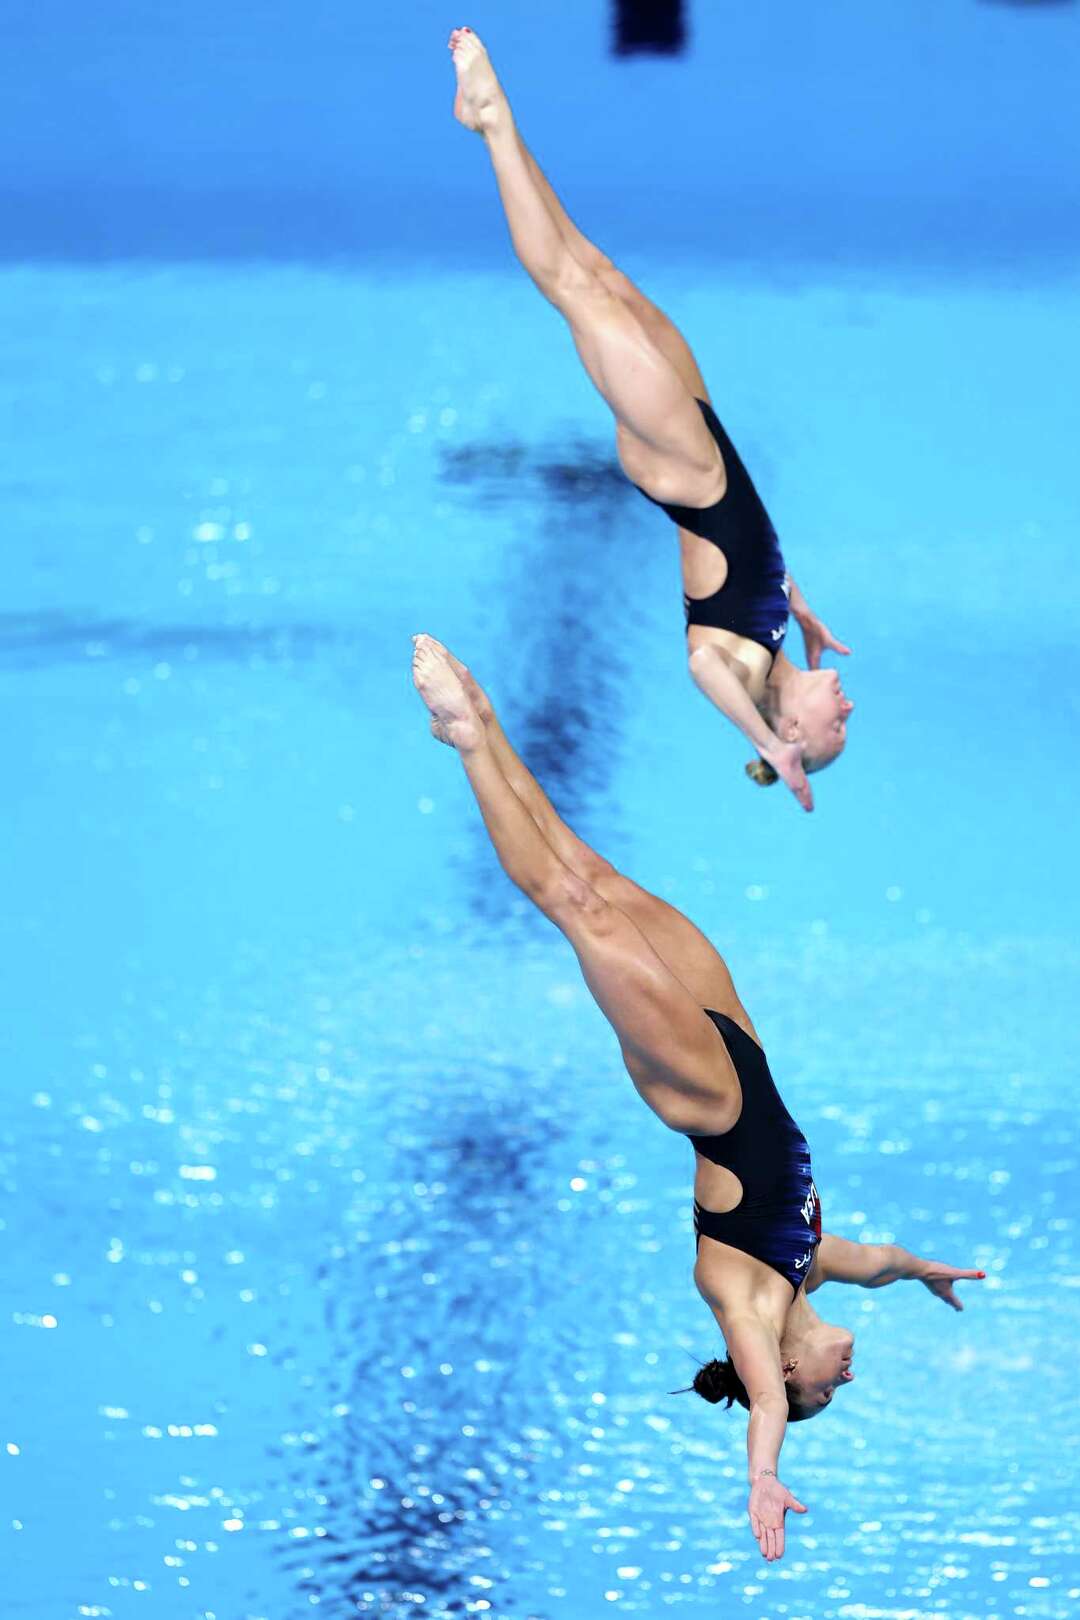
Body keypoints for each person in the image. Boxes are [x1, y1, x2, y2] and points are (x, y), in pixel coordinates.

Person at [411, 633, 985, 1562]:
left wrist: (764, 1476)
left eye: (825, 1391)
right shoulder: (807, 1271)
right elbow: (874, 1259)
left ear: (790, 1371)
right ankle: (480, 720)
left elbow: (765, 1403)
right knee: (591, 874)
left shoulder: (752, 1315)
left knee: (575, 907)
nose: (845, 1376)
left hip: (705, 1096)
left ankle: (471, 743)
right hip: (741, 1053)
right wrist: (926, 1272)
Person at [446, 27, 854, 813]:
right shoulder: (768, 646)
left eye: (836, 731)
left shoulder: (735, 667)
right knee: (599, 272)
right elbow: (755, 565)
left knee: (572, 287)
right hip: (702, 440)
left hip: (683, 458)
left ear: (795, 731)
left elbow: (698, 667)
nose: (848, 711)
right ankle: (490, 120)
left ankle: (493, 118)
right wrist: (798, 605)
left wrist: (764, 746)